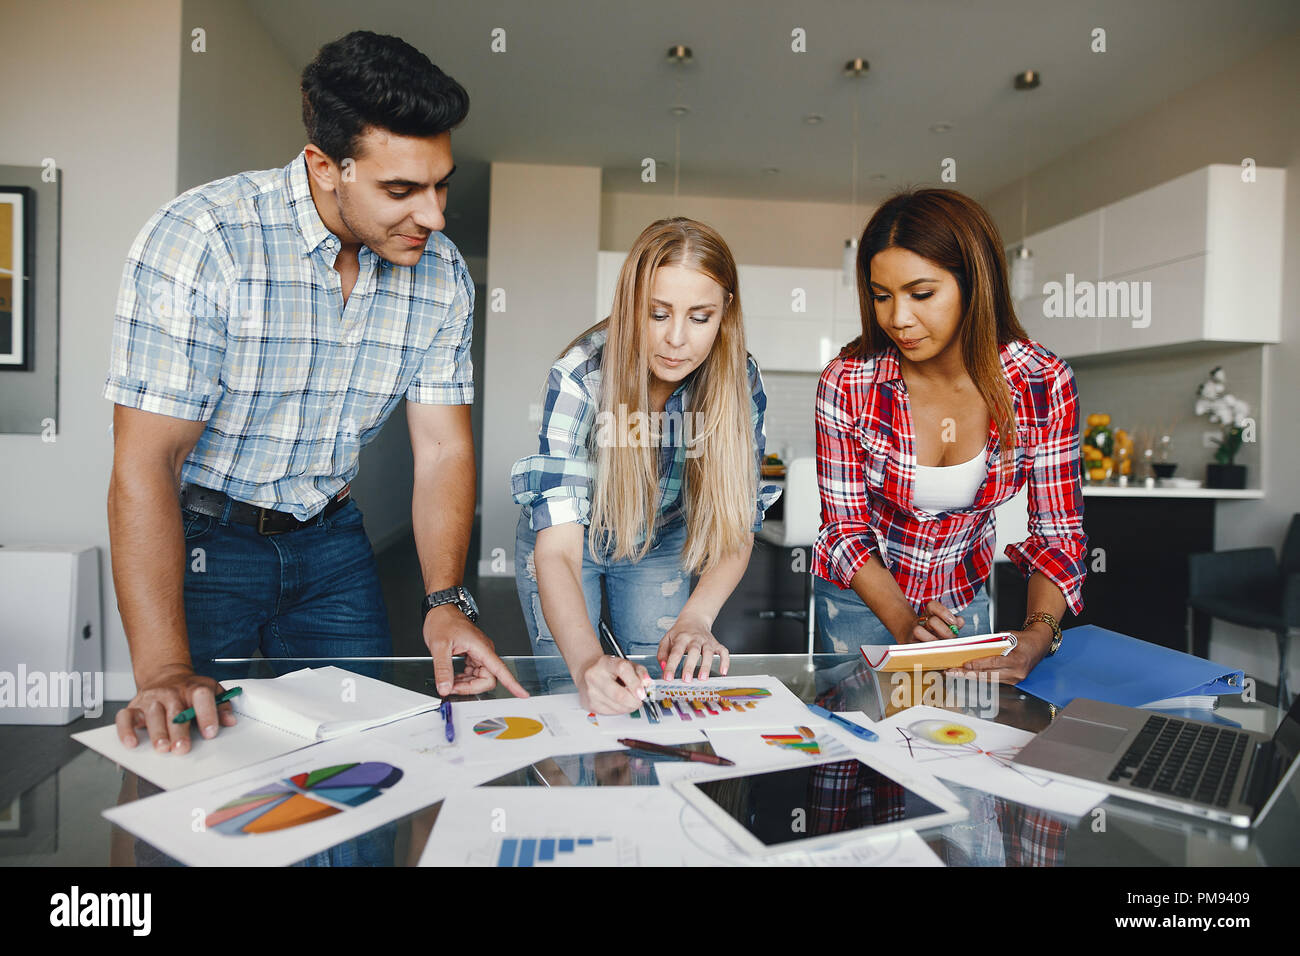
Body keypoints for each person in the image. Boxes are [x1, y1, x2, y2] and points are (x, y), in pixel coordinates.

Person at [104, 30, 527, 764]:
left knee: (370, 767)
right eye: (401, 191)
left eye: (441, 183)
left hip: (331, 543)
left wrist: (445, 601)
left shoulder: (443, 275)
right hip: (203, 542)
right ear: (325, 167)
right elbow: (146, 464)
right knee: (190, 771)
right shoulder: (204, 239)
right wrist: (164, 668)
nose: (433, 216)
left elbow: (441, 447)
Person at [812, 188, 1086, 682]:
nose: (898, 318)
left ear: (973, 284)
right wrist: (905, 624)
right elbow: (843, 531)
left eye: (921, 294)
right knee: (851, 750)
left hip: (964, 609)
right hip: (860, 609)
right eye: (881, 295)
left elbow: (1058, 533)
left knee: (953, 750)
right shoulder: (848, 382)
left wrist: (1037, 634)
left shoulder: (1041, 382)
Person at [511, 218, 780, 714]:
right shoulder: (581, 374)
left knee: (653, 691)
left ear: (726, 313)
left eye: (700, 317)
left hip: (659, 543)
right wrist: (589, 662)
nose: (676, 339)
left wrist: (696, 618)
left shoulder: (740, 380)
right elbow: (559, 554)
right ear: (631, 304)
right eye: (658, 314)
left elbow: (737, 524)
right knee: (573, 691)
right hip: (569, 541)